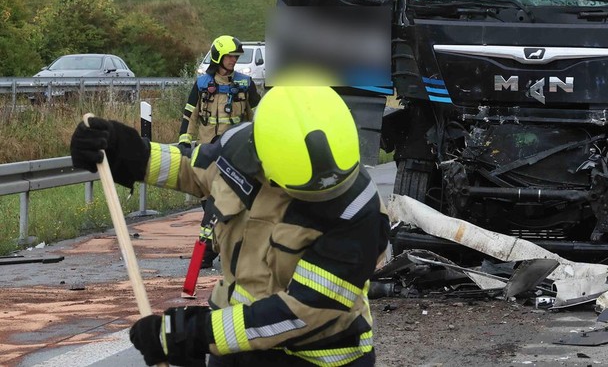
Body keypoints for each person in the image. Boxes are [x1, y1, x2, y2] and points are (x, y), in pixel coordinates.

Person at [69, 85, 387, 366]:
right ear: (266, 161)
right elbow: (193, 168)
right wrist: (126, 152)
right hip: (236, 350)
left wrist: (192, 333)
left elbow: (302, 313)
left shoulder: (357, 212)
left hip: (315, 357)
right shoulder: (242, 148)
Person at [180, 35, 262, 269]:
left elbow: (259, 115)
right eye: (229, 56)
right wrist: (184, 140)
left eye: (235, 57)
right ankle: (215, 249)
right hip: (208, 151)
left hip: (235, 153)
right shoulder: (202, 84)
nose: (233, 60)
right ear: (218, 57)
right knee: (208, 202)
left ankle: (208, 255)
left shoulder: (245, 84)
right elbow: (190, 114)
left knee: (226, 203)